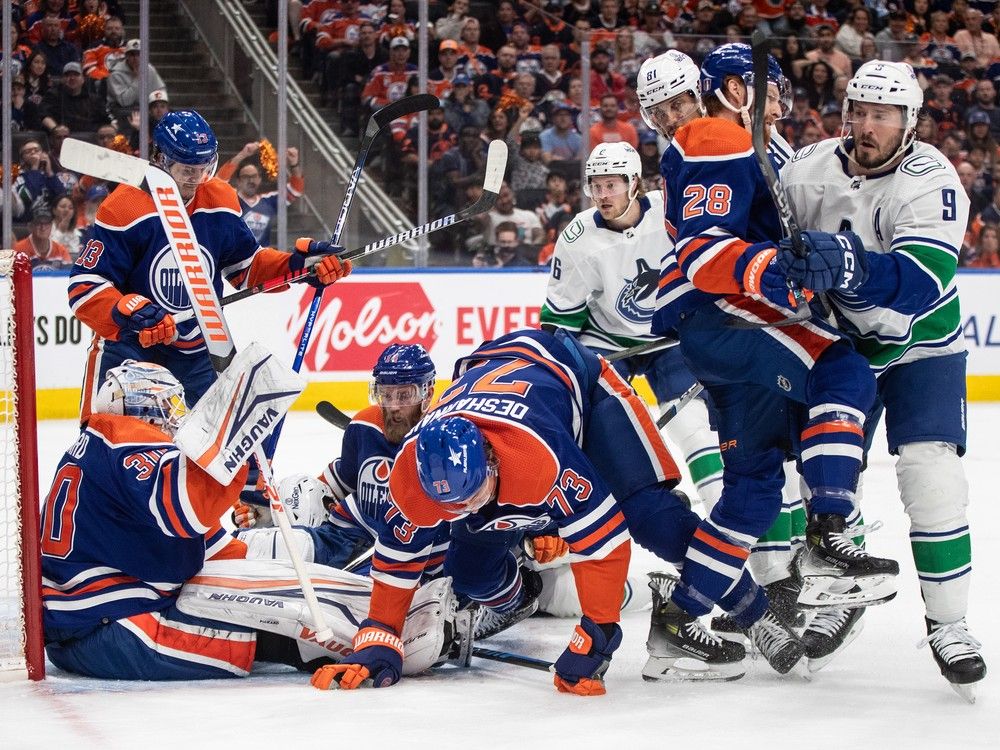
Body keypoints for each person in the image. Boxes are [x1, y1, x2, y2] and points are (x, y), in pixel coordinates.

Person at [651, 43, 900, 671]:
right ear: (732, 91)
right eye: (759, 86)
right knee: (841, 369)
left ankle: (682, 615)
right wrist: (775, 274)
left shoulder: (760, 148)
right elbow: (705, 255)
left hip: (725, 335)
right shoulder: (712, 134)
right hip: (726, 315)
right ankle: (828, 530)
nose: (774, 98)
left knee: (754, 490)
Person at [40, 360, 461, 681]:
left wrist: (277, 563)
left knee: (263, 583)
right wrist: (236, 442)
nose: (176, 416)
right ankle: (388, 638)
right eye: (168, 406)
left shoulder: (100, 444)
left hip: (98, 615)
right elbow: (188, 506)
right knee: (258, 634)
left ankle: (370, 604)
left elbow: (209, 544)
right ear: (141, 407)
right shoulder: (127, 441)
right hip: (108, 629)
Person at [780, 60, 987, 699]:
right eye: (859, 112)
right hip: (844, 347)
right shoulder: (805, 170)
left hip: (923, 345)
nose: (867, 126)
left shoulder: (932, 180)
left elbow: (923, 280)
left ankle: (950, 626)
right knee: (820, 473)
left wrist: (845, 262)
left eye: (883, 115)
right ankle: (845, 586)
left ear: (909, 122)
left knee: (931, 476)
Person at [68, 109, 351, 420]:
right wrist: (131, 309)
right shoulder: (124, 206)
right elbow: (85, 286)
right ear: (162, 159)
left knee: (214, 461)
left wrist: (299, 266)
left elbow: (247, 267)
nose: (196, 178)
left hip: (198, 352)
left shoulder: (220, 198)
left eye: (204, 168)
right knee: (112, 448)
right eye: (187, 169)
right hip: (132, 351)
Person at [541, 137, 724, 511]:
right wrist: (560, 374)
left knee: (692, 424)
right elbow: (560, 320)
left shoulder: (668, 211)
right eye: (596, 185)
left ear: (635, 183)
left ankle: (723, 515)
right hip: (608, 341)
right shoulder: (577, 238)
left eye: (612, 184)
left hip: (668, 335)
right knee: (606, 429)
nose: (602, 194)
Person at [216, 141, 305, 245]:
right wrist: (242, 154)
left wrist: (294, 164)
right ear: (238, 181)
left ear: (259, 179)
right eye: (246, 177)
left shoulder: (269, 201)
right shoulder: (231, 198)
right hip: (234, 257)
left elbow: (296, 189)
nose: (251, 181)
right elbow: (218, 182)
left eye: (254, 176)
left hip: (261, 257)